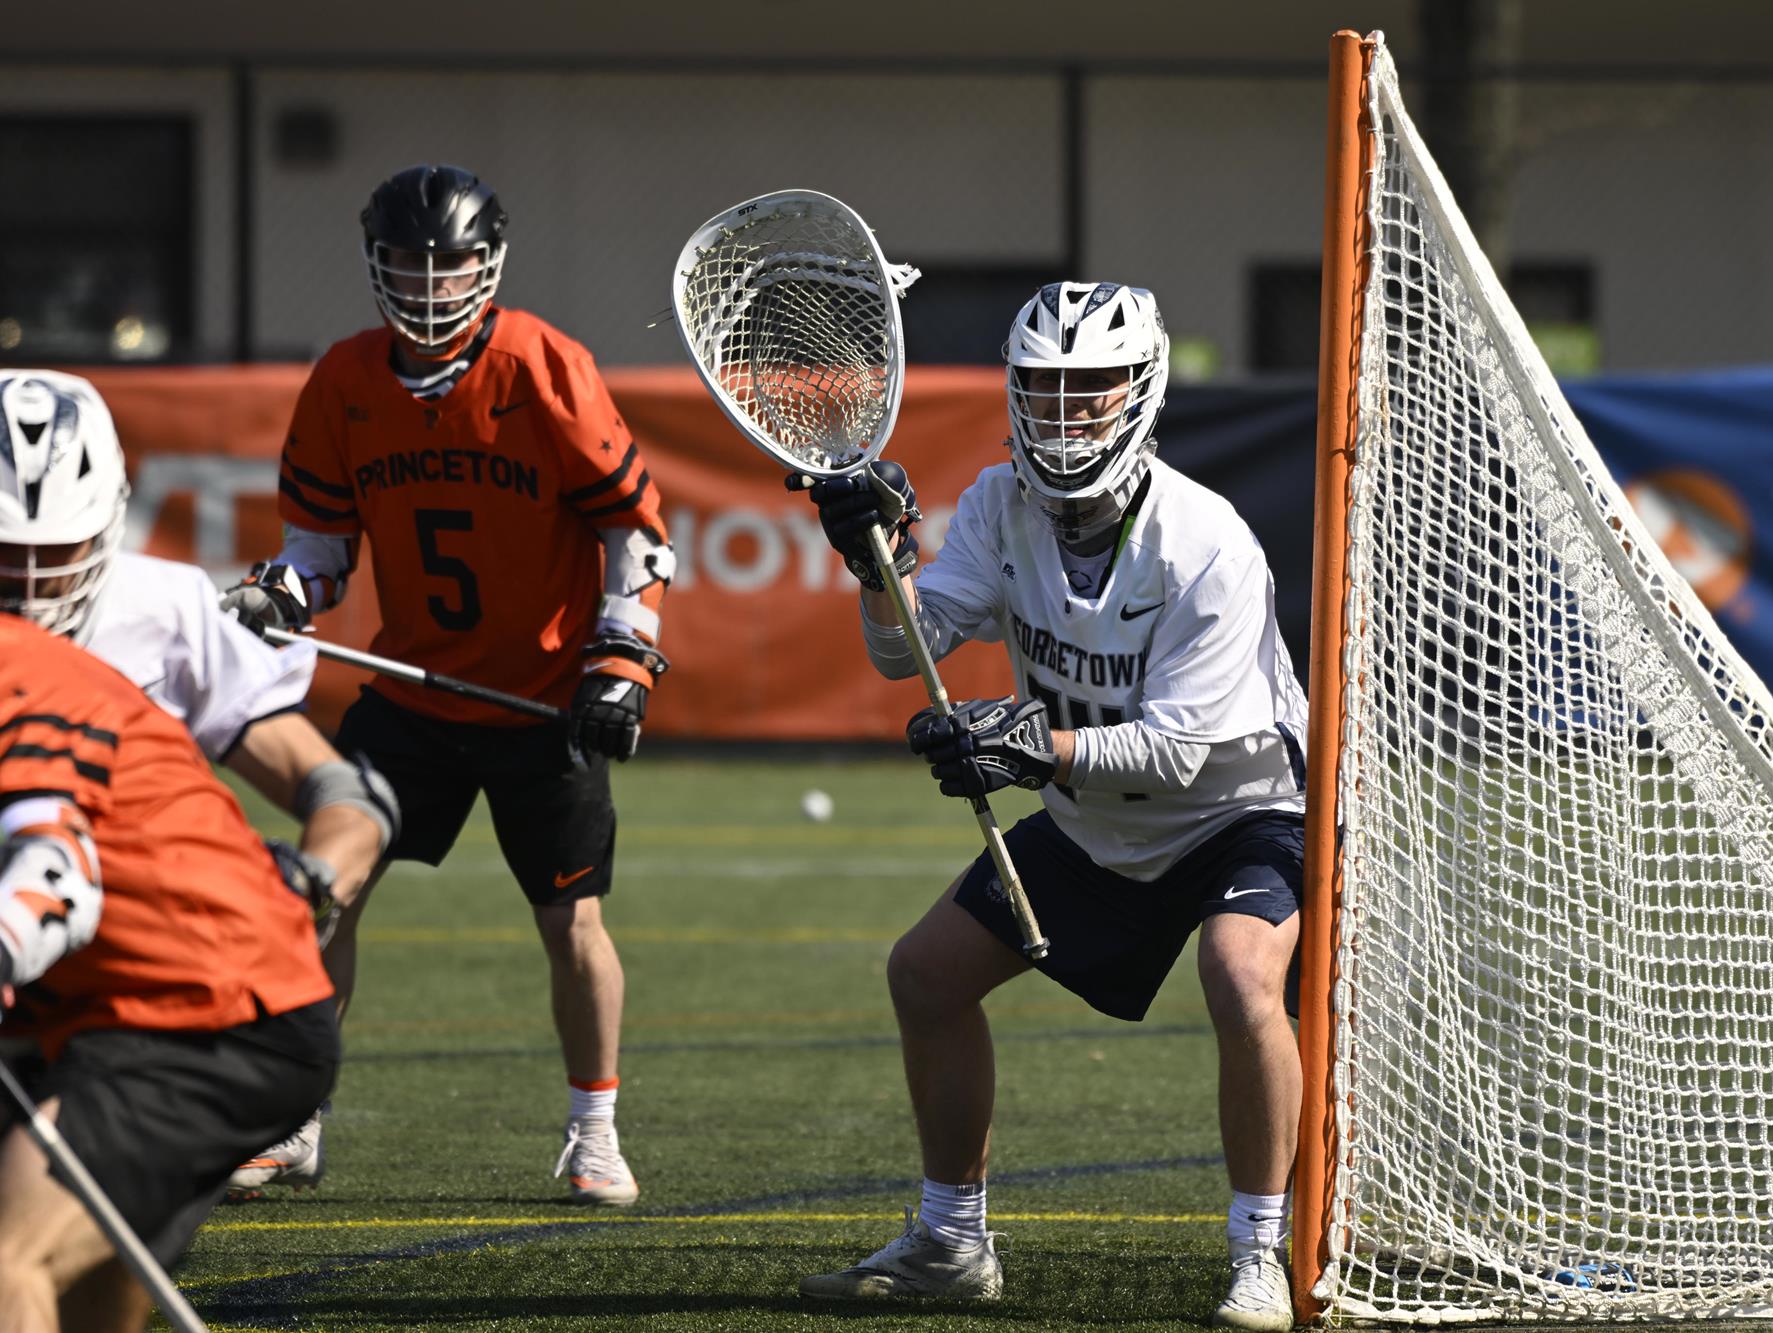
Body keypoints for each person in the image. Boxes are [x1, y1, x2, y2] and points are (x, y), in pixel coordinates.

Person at [787, 282, 1309, 1330]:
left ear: (1142, 390)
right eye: (1043, 389)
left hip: (1237, 813)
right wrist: (871, 563)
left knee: (1240, 974)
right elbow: (907, 651)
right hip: (1093, 818)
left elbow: (1179, 751)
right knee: (925, 975)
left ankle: (1263, 1251)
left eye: (1089, 390)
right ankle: (949, 1237)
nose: (1064, 415)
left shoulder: (1204, 538)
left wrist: (1027, 743)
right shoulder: (996, 502)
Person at [221, 163, 671, 1206]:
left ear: (490, 261)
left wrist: (619, 656)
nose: (429, 282)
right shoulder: (343, 381)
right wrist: (282, 592)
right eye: (409, 261)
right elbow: (319, 547)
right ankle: (294, 1118)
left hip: (538, 697)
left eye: (451, 259)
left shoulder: (542, 364)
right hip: (413, 696)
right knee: (323, 889)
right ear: (374, 264)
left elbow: (633, 530)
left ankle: (593, 1128)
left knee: (573, 923)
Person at [0, 369, 398, 1200]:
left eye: (56, 554)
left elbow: (347, 797)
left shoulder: (163, 608)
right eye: (7, 558)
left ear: (108, 519)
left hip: (140, 995)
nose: (33, 587)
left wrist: (306, 883)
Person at [0, 611, 340, 1333]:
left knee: (7, 1255)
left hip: (203, 1004)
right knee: (79, 1269)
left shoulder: (19, 672)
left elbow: (52, 872)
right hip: (85, 1000)